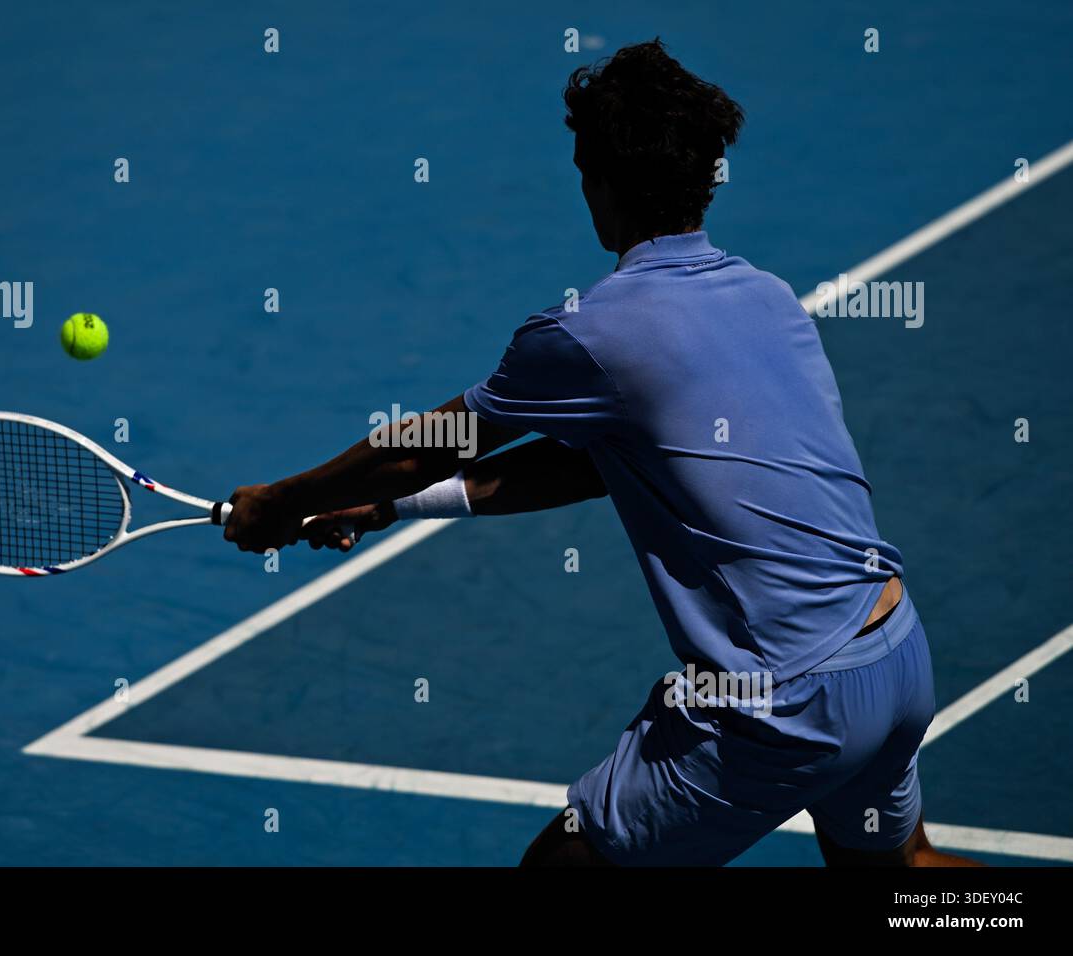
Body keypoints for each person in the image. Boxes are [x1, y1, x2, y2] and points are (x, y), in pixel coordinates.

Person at [223, 39, 977, 867]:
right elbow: (594, 465)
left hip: (786, 700)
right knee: (908, 882)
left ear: (599, 179)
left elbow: (423, 447)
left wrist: (280, 502)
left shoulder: (587, 334)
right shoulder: (769, 299)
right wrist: (390, 509)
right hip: (894, 652)